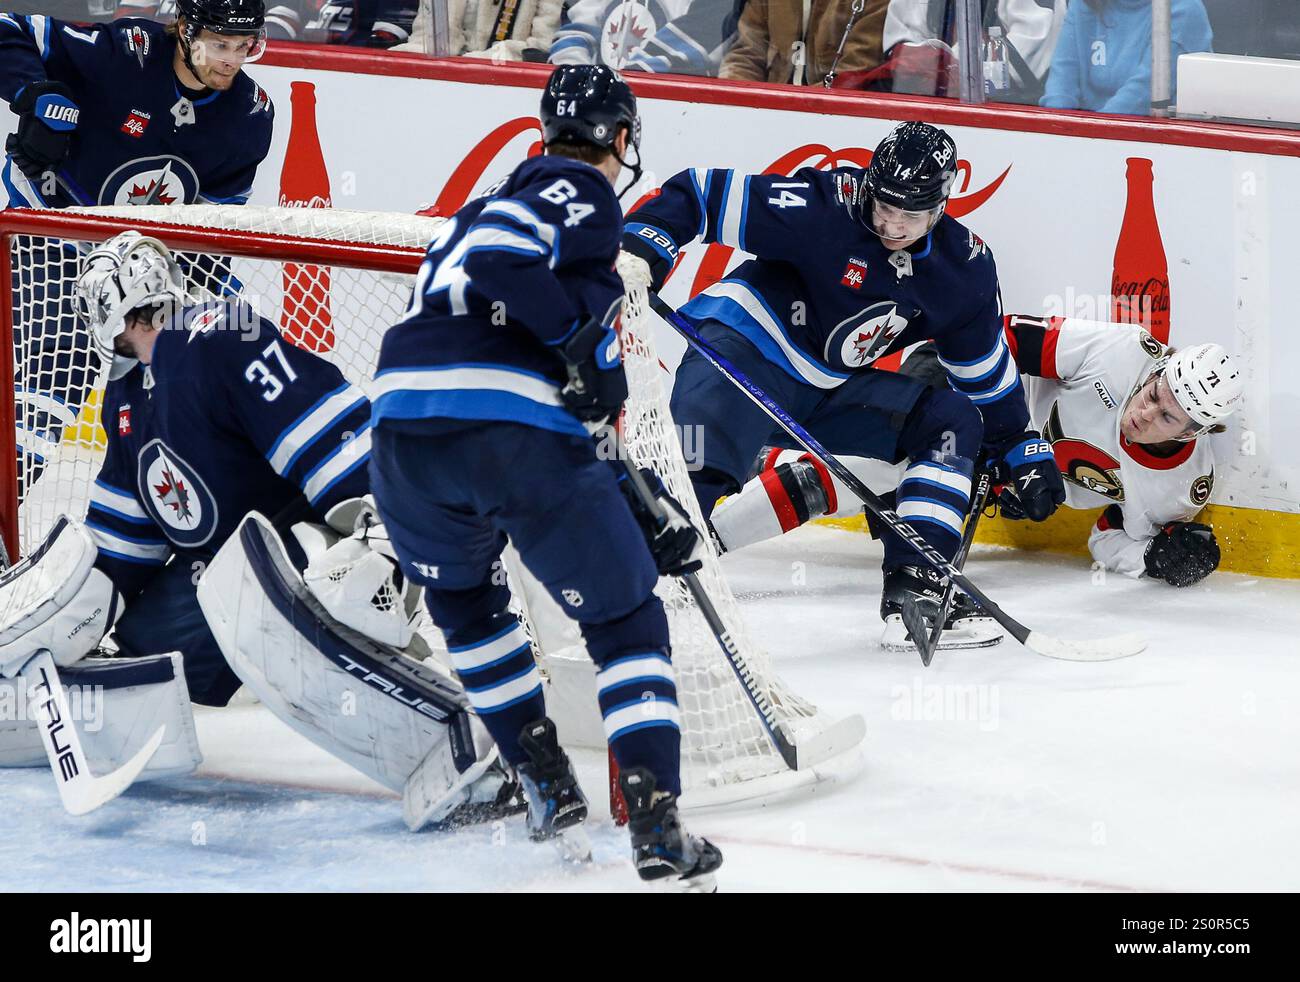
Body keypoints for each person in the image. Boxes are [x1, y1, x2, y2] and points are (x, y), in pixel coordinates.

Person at [0, 230, 516, 829]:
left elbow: (323, 431)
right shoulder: (126, 398)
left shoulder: (219, 335)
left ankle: (468, 743)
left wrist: (384, 530)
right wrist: (51, 618)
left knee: (299, 596)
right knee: (140, 648)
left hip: (304, 539)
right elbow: (119, 551)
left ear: (103, 310)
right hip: (224, 568)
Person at [368, 64, 722, 888]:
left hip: (402, 435)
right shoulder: (576, 185)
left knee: (463, 599)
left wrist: (633, 498)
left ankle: (544, 781)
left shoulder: (472, 212)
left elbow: (548, 363)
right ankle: (657, 818)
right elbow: (503, 267)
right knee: (626, 616)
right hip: (509, 433)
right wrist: (572, 336)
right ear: (621, 139)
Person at [619, 120, 1066, 652]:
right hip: (740, 354)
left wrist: (1021, 446)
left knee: (951, 423)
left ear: (942, 206)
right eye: (885, 207)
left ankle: (916, 587)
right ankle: (588, 594)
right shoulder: (823, 205)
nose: (893, 224)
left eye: (911, 214)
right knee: (690, 489)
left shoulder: (961, 270)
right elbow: (701, 193)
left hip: (825, 391)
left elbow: (983, 376)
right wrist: (647, 240)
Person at [715, 315, 1242, 594]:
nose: (1146, 415)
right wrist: (993, 424)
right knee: (874, 472)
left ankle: (759, 477)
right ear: (1156, 369)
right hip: (970, 401)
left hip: (993, 479)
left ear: (1198, 430)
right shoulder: (1121, 351)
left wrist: (1151, 558)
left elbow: (1108, 538)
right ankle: (712, 534)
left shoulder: (1179, 487)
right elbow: (1001, 337)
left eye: (1168, 418)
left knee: (881, 488)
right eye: (1153, 394)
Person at [1040, 0, 1213, 116]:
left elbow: (1140, 97)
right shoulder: (1083, 3)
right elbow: (1061, 82)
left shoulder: (1184, 10)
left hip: (1152, 145)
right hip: (1081, 138)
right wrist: (1056, 133)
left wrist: (1084, 141)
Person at [720, 0, 890, 86]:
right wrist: (739, 105)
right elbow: (744, 54)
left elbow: (855, 74)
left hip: (835, 123)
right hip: (766, 116)